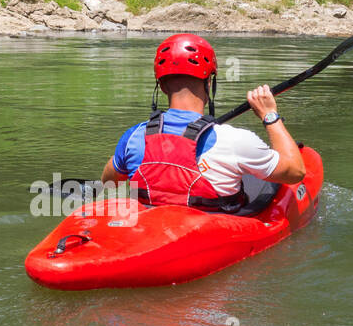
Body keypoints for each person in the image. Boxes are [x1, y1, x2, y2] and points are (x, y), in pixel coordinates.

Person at [100, 33, 306, 212]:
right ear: (209, 82)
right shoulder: (235, 141)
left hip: (149, 230)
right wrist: (270, 115)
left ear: (161, 86)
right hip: (214, 236)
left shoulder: (134, 136)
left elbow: (109, 181)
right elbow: (295, 172)